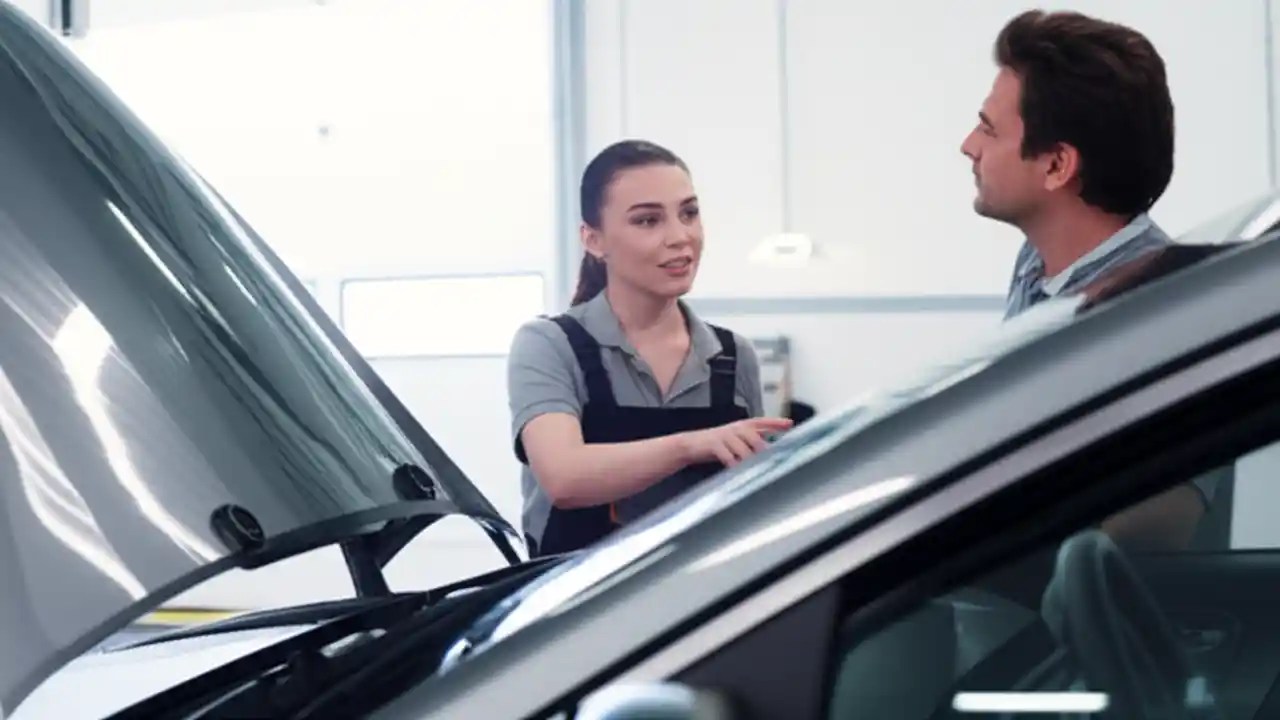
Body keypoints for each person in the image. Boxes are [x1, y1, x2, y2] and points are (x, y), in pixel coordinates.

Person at [960, 9, 1210, 552]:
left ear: (1056, 166)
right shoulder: (1036, 267)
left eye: (988, 128)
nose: (968, 146)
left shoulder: (1159, 309)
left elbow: (1154, 530)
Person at [507, 139, 793, 557]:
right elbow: (563, 478)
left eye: (689, 213)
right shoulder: (549, 345)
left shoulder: (733, 357)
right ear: (593, 240)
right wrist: (691, 445)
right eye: (647, 221)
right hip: (578, 609)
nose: (680, 237)